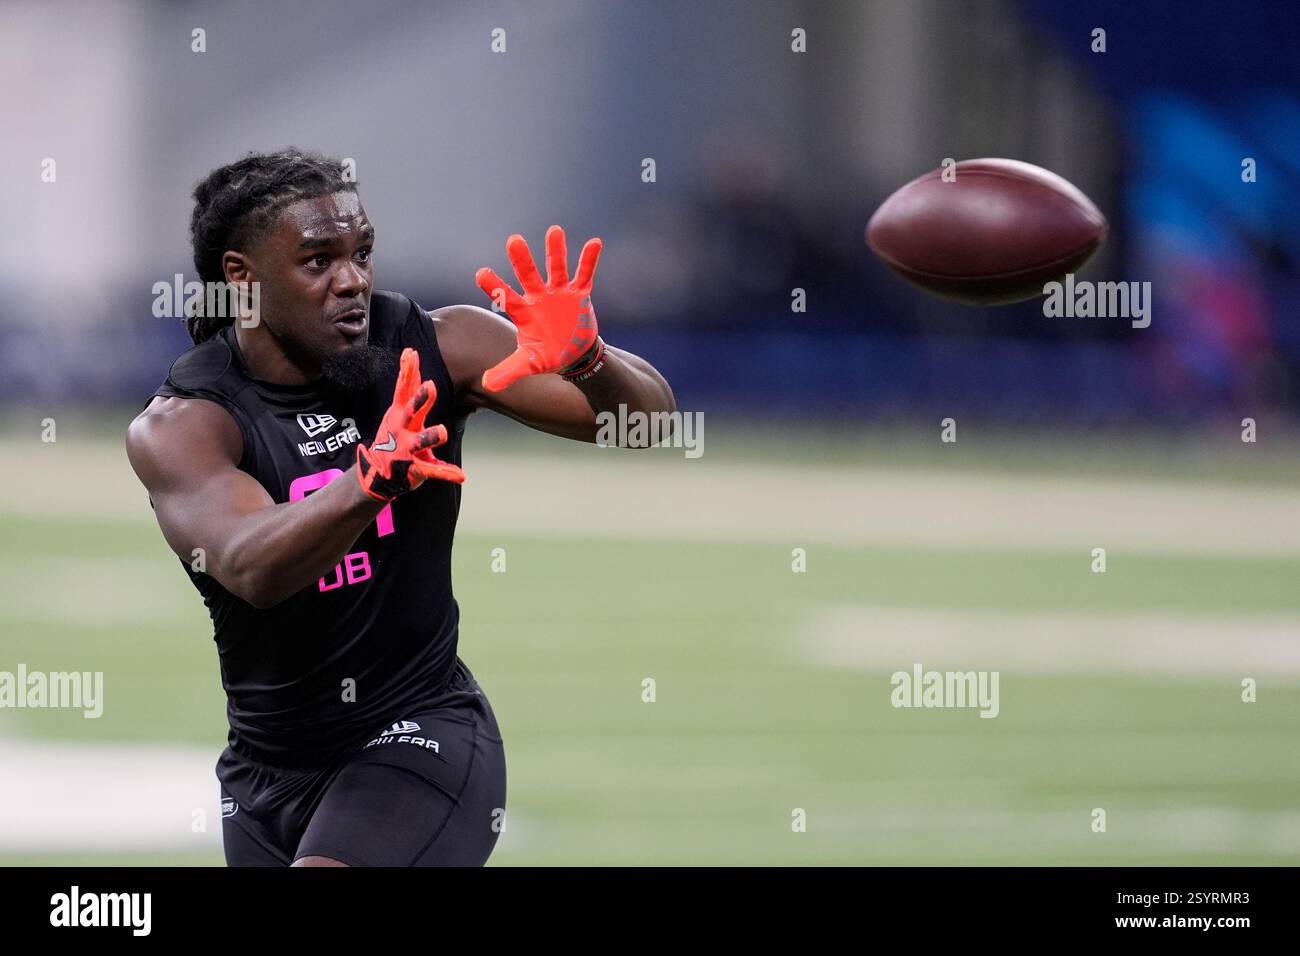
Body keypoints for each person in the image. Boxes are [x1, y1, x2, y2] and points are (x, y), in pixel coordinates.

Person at [125, 148, 675, 866]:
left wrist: (588, 359)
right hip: (266, 771)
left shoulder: (438, 342)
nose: (351, 278)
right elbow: (251, 566)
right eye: (318, 261)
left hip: (419, 729)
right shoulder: (186, 423)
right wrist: (370, 480)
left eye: (362, 253)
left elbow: (651, 425)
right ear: (242, 277)